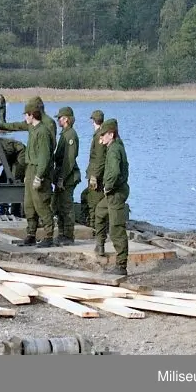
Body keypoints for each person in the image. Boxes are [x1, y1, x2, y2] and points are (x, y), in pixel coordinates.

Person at [0, 98, 52, 246]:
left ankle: (48, 236)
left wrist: (39, 176)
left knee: (40, 203)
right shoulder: (32, 128)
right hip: (29, 169)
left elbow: (45, 157)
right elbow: (16, 125)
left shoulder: (43, 132)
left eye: (26, 114)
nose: (24, 117)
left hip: (37, 170)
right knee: (28, 204)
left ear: (32, 115)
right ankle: (31, 234)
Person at [94, 118, 130, 275]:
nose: (101, 137)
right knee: (99, 212)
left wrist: (107, 186)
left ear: (111, 134)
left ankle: (121, 265)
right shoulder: (114, 147)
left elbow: (115, 172)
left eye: (103, 134)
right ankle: (100, 245)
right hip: (112, 193)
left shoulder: (115, 149)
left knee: (116, 229)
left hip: (115, 193)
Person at [53, 106, 81, 245]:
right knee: (59, 205)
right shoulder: (64, 134)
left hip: (67, 177)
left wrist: (61, 178)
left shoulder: (70, 135)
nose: (58, 120)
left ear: (66, 119)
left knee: (67, 206)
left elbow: (69, 160)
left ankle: (69, 236)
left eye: (60, 118)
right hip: (61, 175)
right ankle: (62, 233)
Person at [86, 110, 106, 228]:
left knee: (94, 200)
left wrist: (94, 176)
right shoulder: (101, 134)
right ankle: (95, 224)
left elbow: (98, 158)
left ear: (93, 121)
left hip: (95, 175)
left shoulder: (99, 135)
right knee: (93, 199)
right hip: (96, 173)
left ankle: (95, 226)